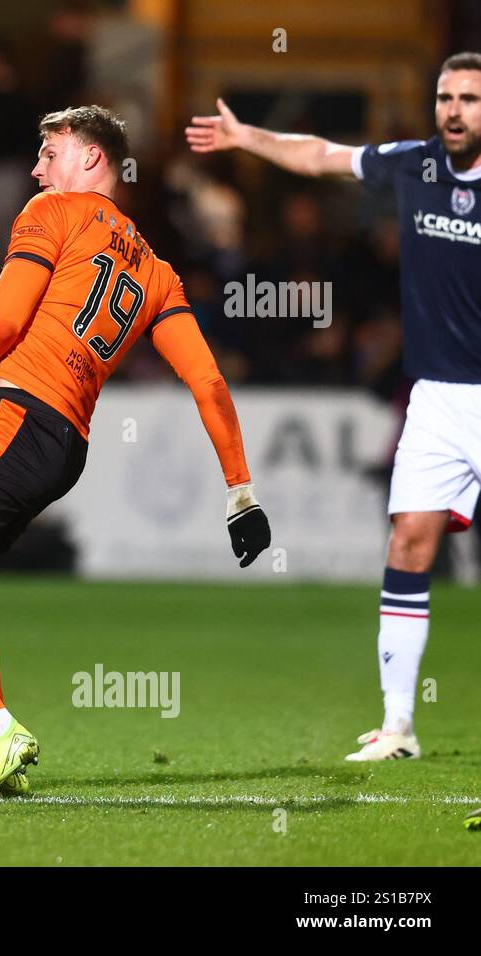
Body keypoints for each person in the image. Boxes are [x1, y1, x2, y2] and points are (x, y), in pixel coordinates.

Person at [0, 105, 271, 799]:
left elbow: (4, 320)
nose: (36, 168)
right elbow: (207, 380)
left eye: (48, 151)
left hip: (18, 419)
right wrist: (241, 491)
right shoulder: (157, 270)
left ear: (90, 159)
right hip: (64, 443)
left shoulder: (52, 213)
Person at [186, 52, 481, 761]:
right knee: (410, 541)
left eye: (470, 99)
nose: (454, 110)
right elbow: (321, 156)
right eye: (445, 96)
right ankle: (399, 725)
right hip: (437, 399)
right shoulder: (415, 164)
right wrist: (249, 138)